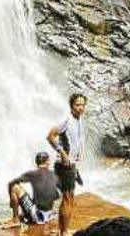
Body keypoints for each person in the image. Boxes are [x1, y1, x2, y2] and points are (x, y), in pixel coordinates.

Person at [48, 93, 87, 236]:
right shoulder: (66, 120)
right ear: (71, 106)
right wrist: (62, 153)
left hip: (71, 164)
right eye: (77, 105)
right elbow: (50, 136)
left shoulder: (79, 120)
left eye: (82, 105)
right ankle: (64, 232)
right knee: (67, 197)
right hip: (64, 165)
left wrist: (77, 165)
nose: (80, 107)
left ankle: (63, 230)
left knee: (69, 197)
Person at [5, 152, 61, 230]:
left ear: (36, 163)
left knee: (15, 187)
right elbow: (58, 195)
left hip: (38, 218)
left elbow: (11, 183)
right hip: (49, 215)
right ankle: (22, 216)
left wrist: (11, 202)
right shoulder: (53, 175)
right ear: (48, 162)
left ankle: (15, 219)